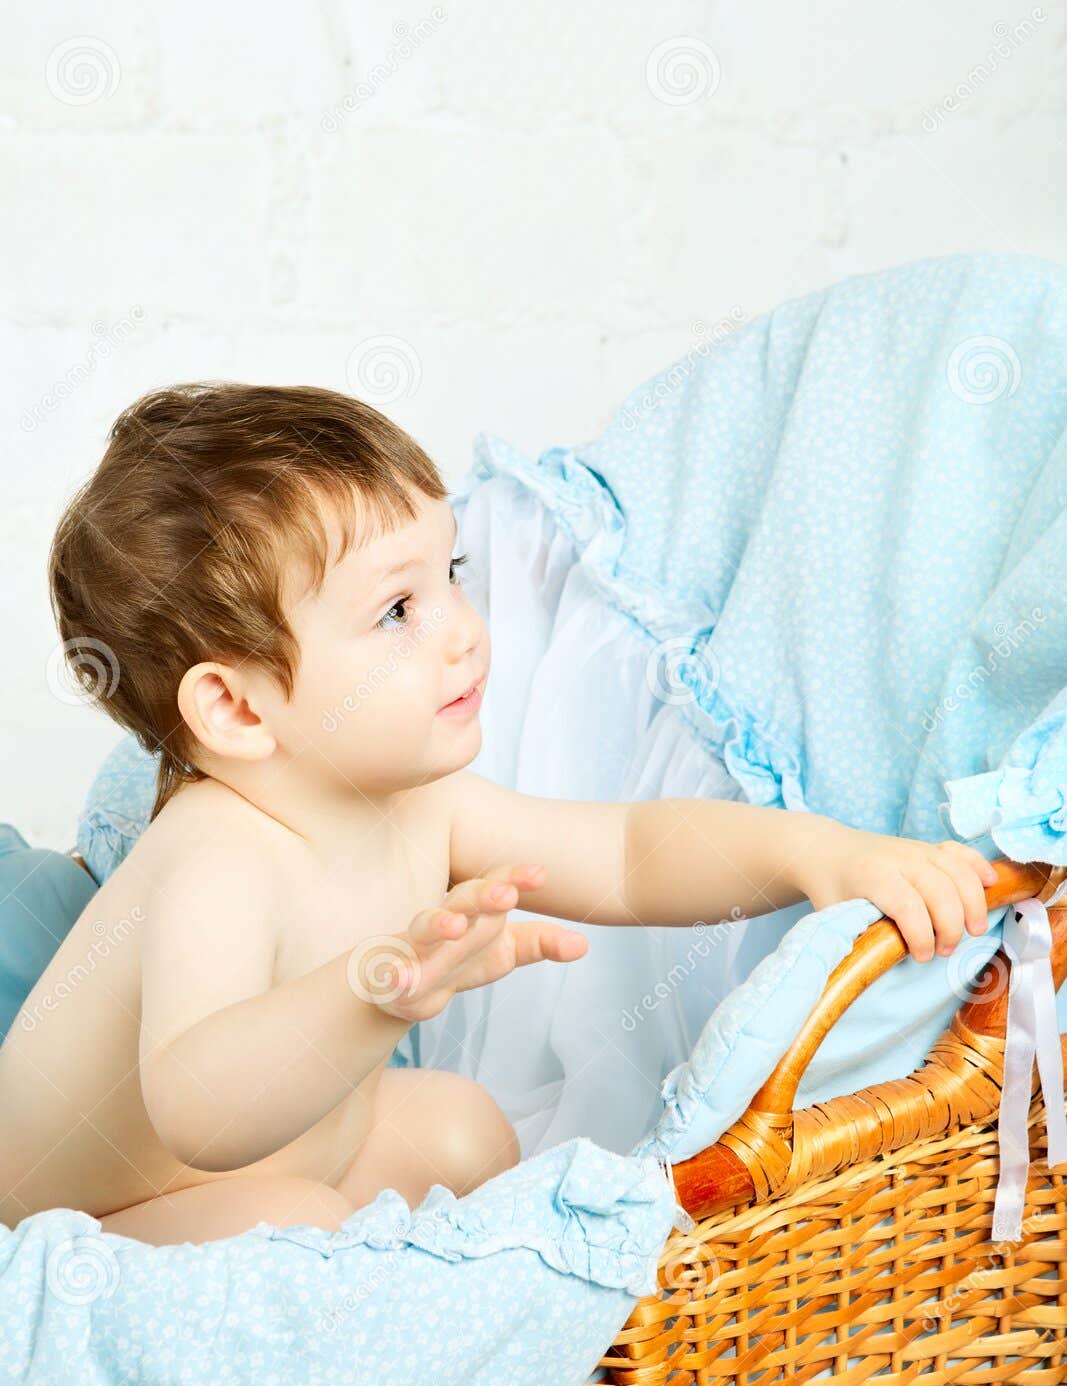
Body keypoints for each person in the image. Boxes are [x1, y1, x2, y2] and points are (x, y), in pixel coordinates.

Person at [0, 383, 996, 1245]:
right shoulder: (214, 857)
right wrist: (373, 993)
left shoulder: (419, 805)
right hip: (106, 1213)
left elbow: (628, 854)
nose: (463, 635)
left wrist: (816, 853)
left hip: (302, 1148)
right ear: (236, 708)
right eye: (397, 611)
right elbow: (198, 1108)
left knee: (470, 1131)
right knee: (300, 1233)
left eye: (452, 577)